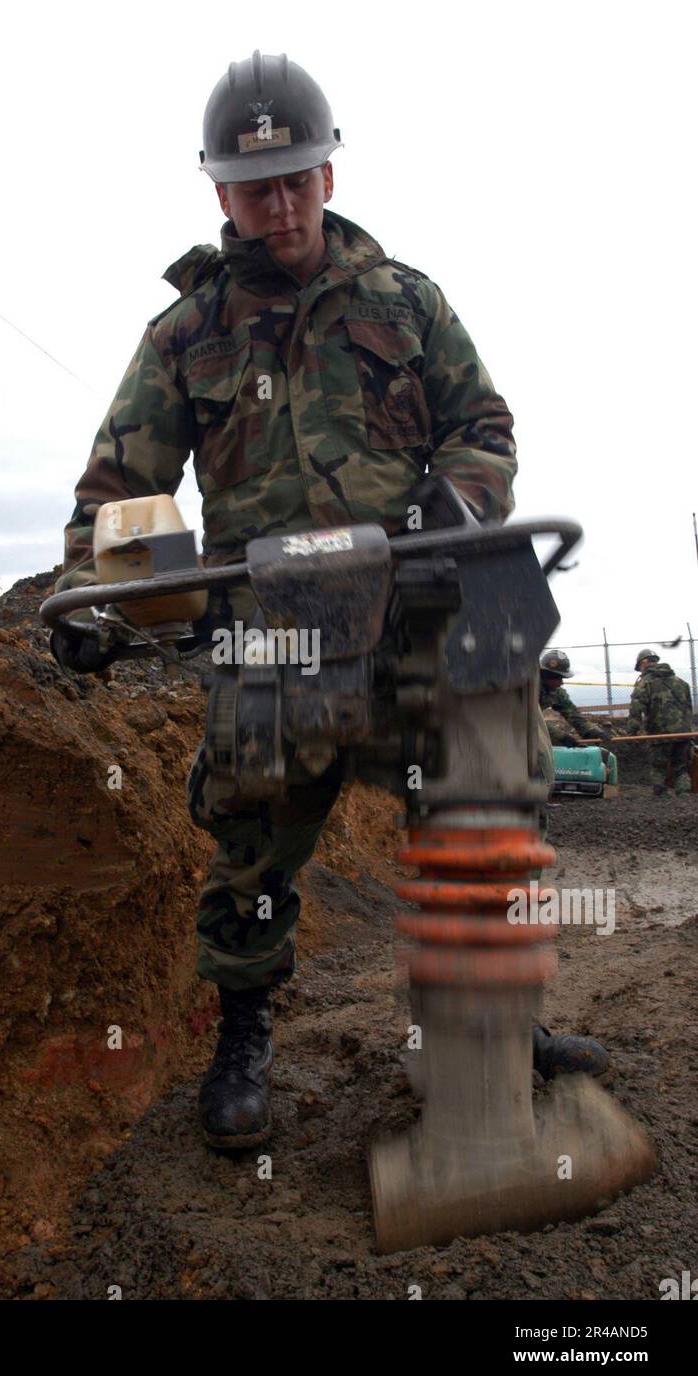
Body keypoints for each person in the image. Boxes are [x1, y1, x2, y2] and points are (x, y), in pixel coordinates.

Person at [51, 51, 608, 1149]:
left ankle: (495, 1023)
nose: (282, 201)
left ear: (330, 173)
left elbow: (485, 426)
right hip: (274, 630)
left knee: (481, 812)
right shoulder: (185, 337)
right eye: (257, 187)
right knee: (254, 839)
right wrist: (92, 593)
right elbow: (119, 489)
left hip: (425, 615)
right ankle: (243, 1036)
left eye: (300, 176)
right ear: (221, 194)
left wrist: (456, 502)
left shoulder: (409, 303)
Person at [626, 649, 694, 795]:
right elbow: (689, 708)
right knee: (681, 769)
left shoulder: (645, 683)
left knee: (658, 768)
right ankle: (685, 800)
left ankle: (660, 802)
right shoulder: (682, 683)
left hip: (659, 735)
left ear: (644, 663)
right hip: (684, 733)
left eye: (639, 667)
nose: (640, 671)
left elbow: (636, 707)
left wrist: (632, 730)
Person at [538, 649, 606, 745]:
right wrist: (560, 736)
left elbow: (572, 713)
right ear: (547, 676)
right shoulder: (526, 692)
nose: (561, 683)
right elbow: (528, 720)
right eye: (559, 678)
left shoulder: (555, 692)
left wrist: (591, 731)